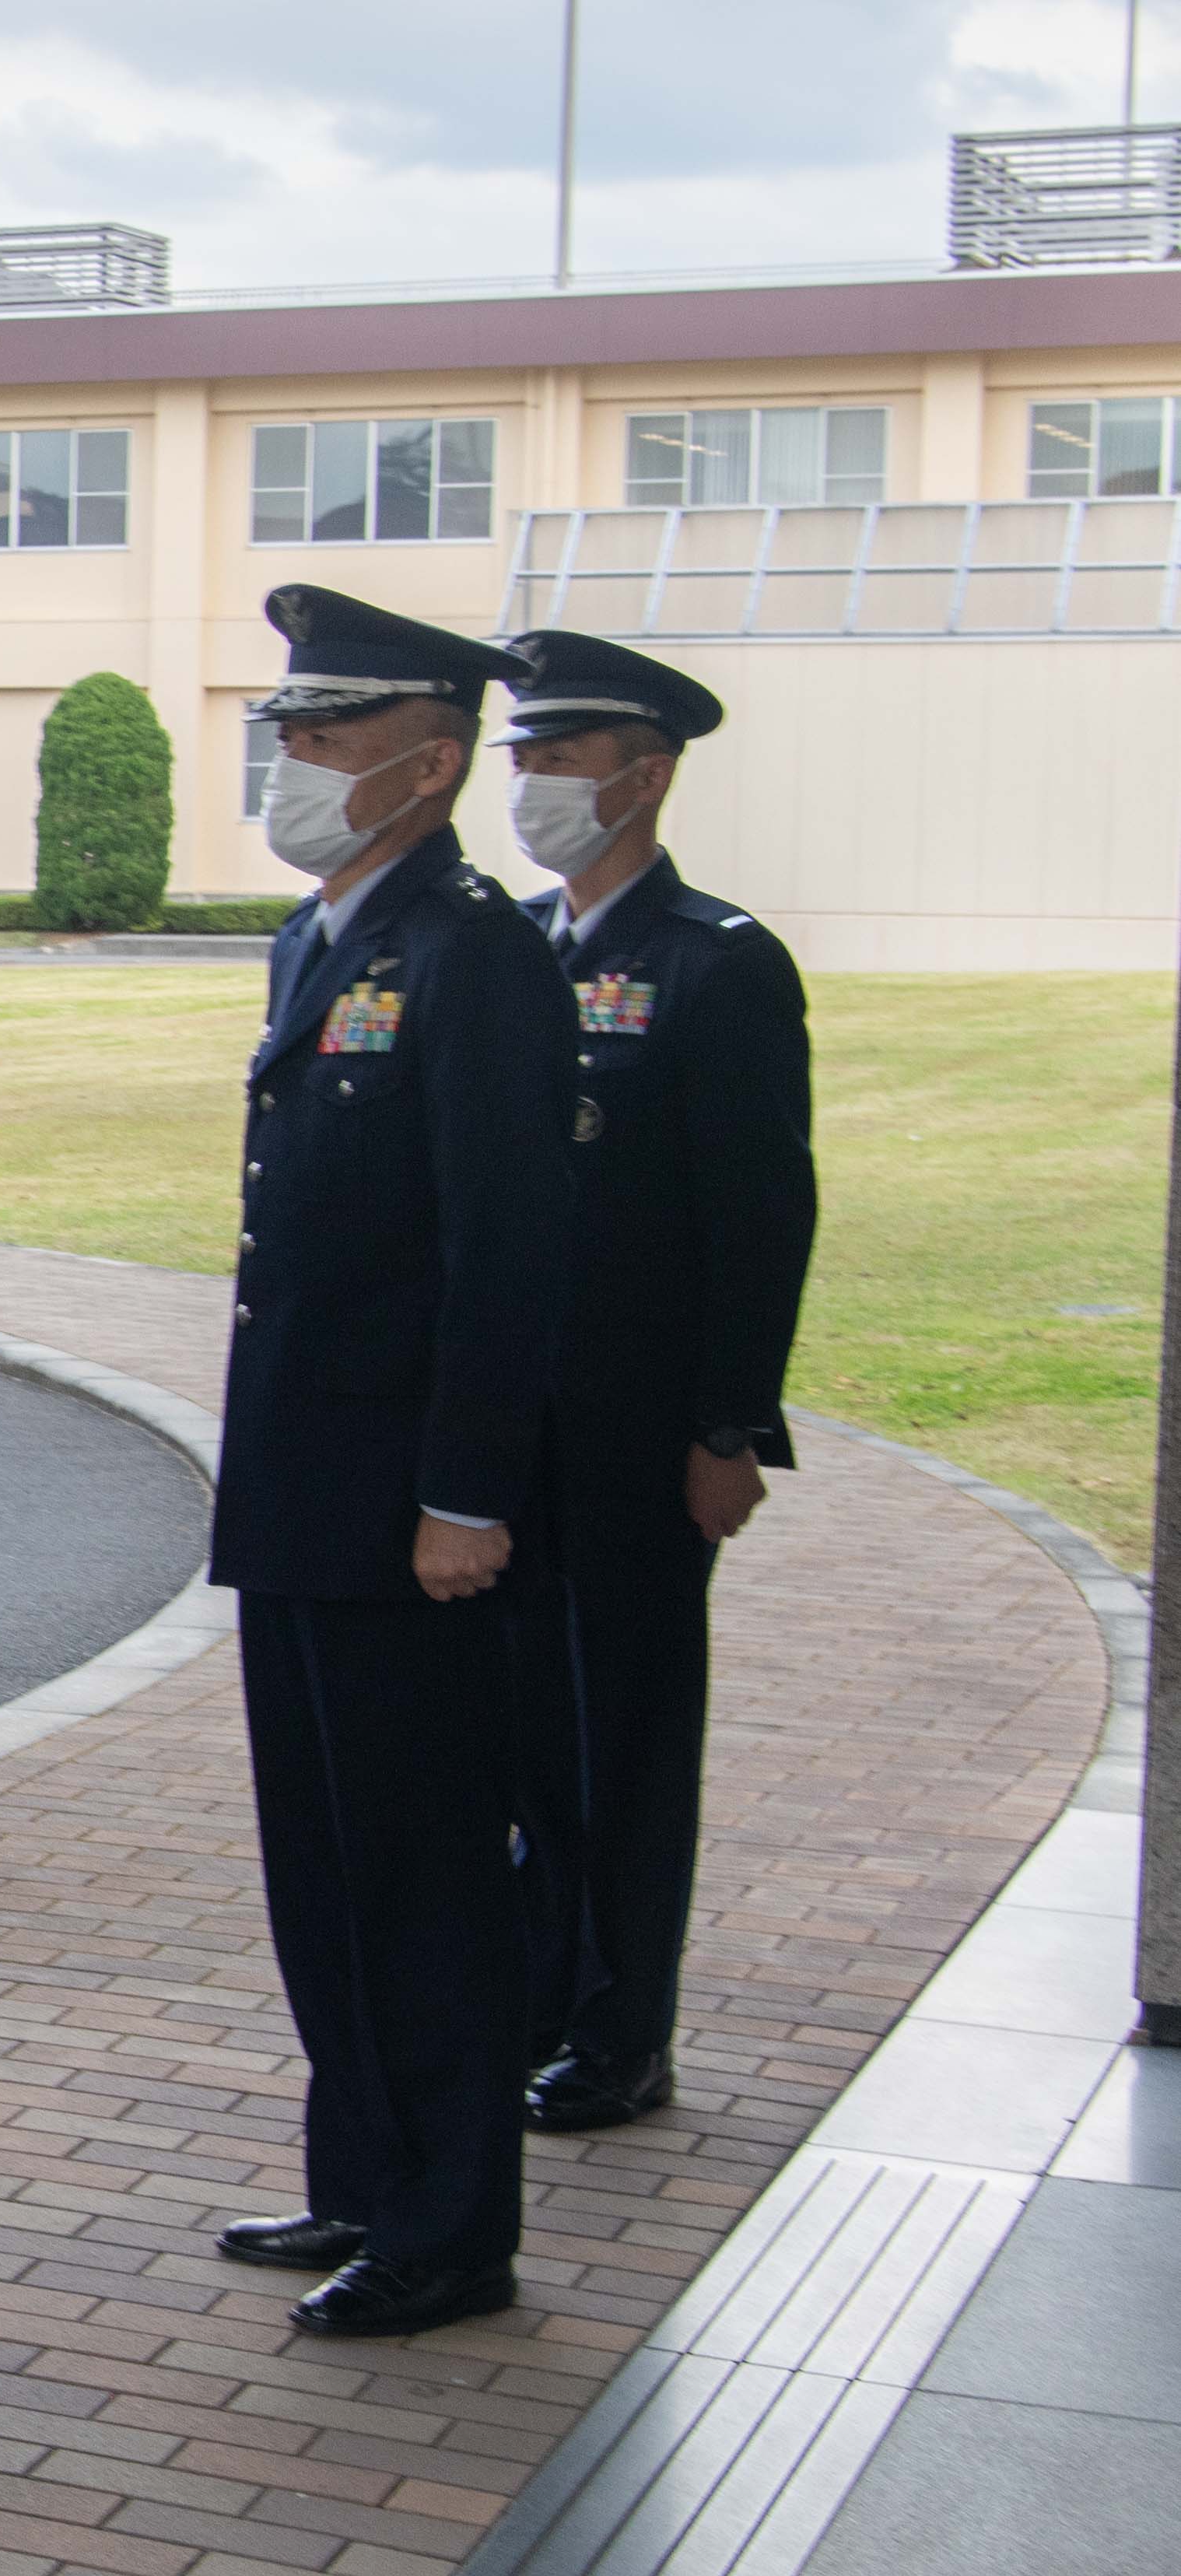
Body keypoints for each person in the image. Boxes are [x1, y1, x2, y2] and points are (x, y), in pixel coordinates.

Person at [206, 587, 573, 2339]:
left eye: (323, 730)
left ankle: (448, 2225)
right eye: (283, 726)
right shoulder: (323, 936)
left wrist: (464, 1493)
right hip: (301, 1487)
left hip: (404, 1508)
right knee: (323, 1858)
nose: (288, 756)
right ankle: (360, 2169)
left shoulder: (471, 952)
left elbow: (509, 1248)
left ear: (426, 764)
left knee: (422, 1872)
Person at [492, 635, 815, 2134]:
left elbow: (757, 1213)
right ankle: (537, 1993)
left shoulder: (713, 959)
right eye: (524, 759)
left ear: (643, 776)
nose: (532, 786)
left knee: (621, 1732)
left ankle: (622, 2029)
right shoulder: (514, 948)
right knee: (522, 1732)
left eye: (560, 760)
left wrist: (725, 1423)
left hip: (636, 1433)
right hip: (511, 1428)